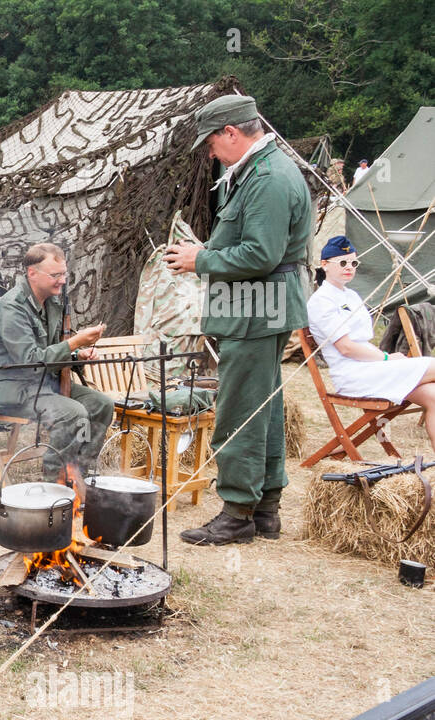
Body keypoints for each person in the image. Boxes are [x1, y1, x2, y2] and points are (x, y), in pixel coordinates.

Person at [165, 93, 313, 545]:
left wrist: (201, 258)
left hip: (256, 307)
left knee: (240, 410)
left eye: (210, 142)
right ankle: (264, 508)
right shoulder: (251, 171)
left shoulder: (268, 178)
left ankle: (237, 513)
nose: (208, 152)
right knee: (263, 409)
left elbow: (261, 254)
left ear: (231, 132)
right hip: (254, 306)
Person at [0, 242, 111, 484]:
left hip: (44, 383)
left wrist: (77, 356)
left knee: (101, 404)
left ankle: (79, 472)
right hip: (12, 389)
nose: (62, 281)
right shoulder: (12, 307)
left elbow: (50, 351)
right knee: (73, 413)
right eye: (55, 275)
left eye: (64, 274)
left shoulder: (54, 302)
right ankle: (54, 480)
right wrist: (72, 344)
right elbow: (29, 361)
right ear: (32, 273)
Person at [308, 235, 435, 447]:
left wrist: (384, 360)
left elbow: (363, 340)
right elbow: (346, 348)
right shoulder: (321, 301)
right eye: (342, 262)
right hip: (353, 374)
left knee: (433, 396)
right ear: (324, 265)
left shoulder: (352, 295)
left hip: (373, 368)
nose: (349, 267)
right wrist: (386, 358)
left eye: (353, 263)